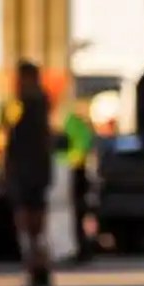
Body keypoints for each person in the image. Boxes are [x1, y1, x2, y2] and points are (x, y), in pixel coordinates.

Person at [3, 60, 54, 286]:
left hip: (26, 171)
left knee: (28, 222)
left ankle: (36, 266)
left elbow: (13, 137)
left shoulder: (25, 103)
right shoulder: (42, 102)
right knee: (36, 223)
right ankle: (39, 266)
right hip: (38, 170)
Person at [63, 105, 96, 264]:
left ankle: (79, 248)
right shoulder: (74, 122)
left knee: (75, 212)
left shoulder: (69, 122)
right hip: (74, 171)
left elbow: (82, 146)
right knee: (77, 212)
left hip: (72, 172)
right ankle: (80, 248)